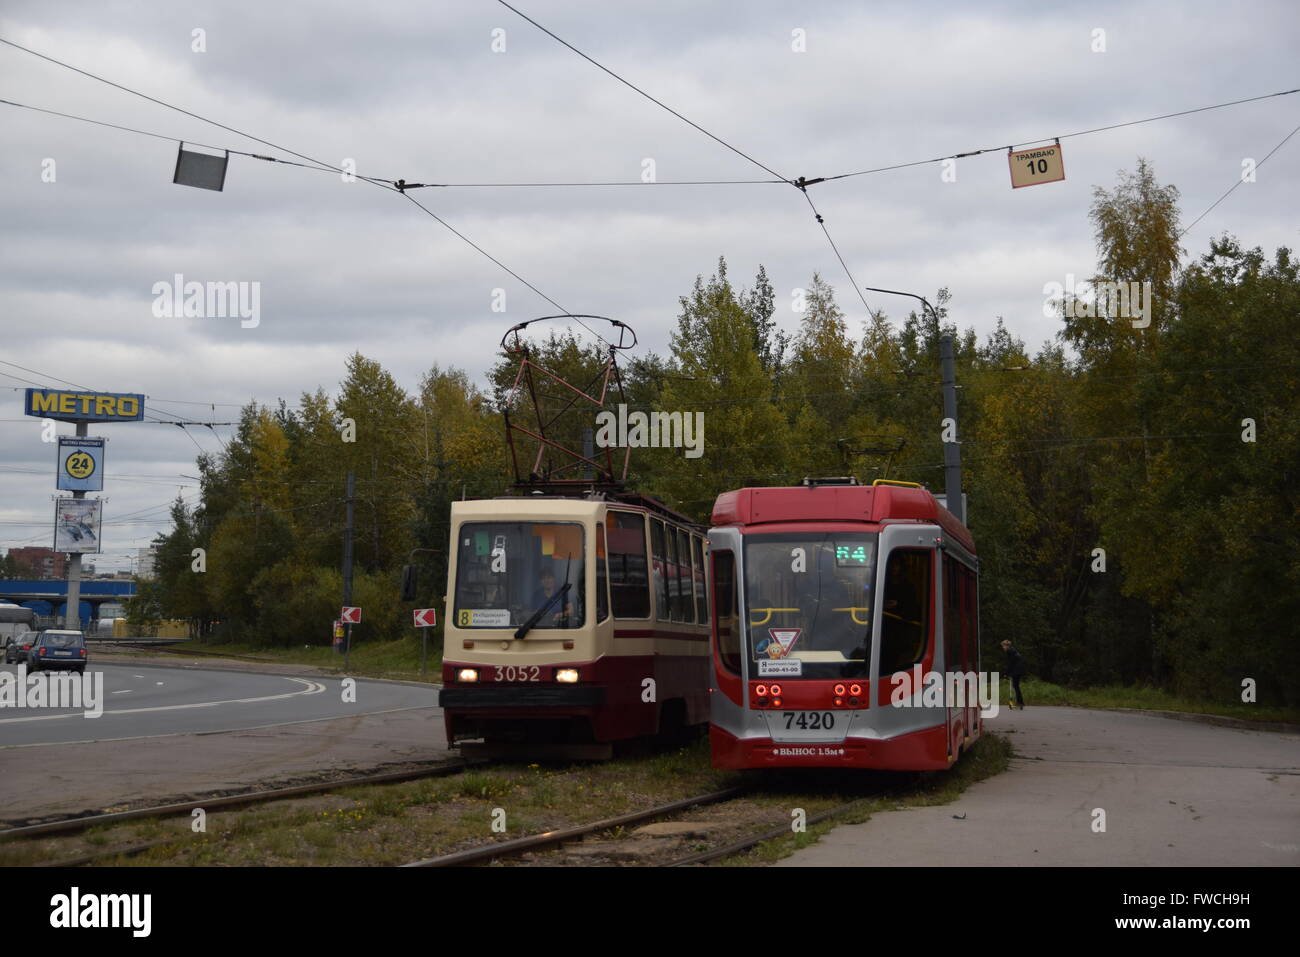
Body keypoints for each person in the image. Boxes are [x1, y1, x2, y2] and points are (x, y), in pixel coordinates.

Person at [1001, 639, 1027, 709]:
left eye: (1003, 646)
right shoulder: (1014, 650)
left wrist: (1006, 673)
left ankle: (1020, 702)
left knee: (1015, 685)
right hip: (1019, 669)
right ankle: (1020, 702)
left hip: (1017, 670)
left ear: (1007, 646)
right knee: (1016, 686)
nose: (1003, 648)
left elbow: (1010, 663)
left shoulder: (1009, 651)